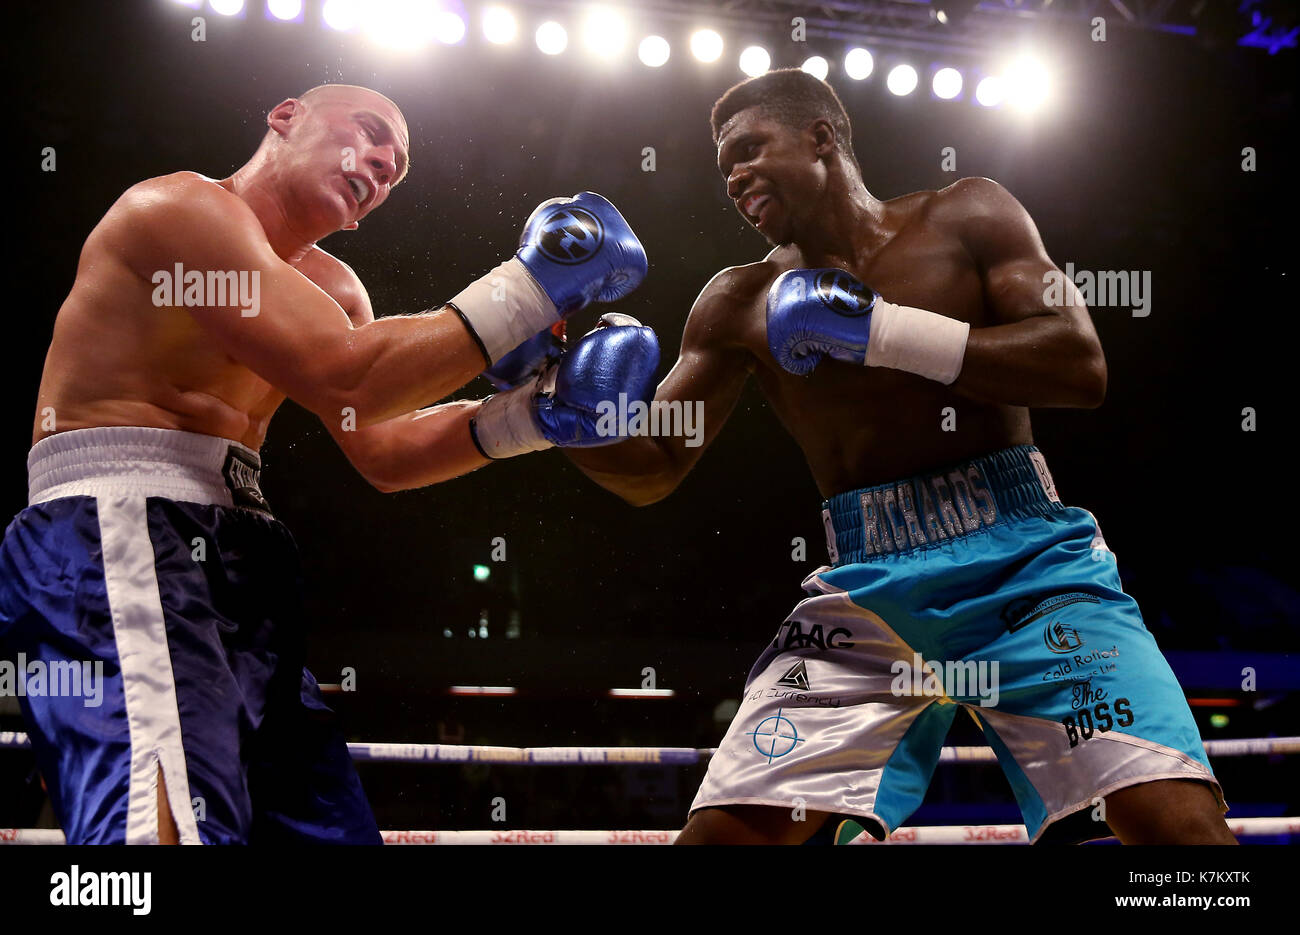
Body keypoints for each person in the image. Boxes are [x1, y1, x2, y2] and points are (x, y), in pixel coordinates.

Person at [566, 69, 1233, 844]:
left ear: (822, 137)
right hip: (865, 590)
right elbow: (653, 464)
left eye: (750, 149)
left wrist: (884, 332)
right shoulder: (737, 301)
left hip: (1030, 564)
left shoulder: (966, 214)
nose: (736, 175)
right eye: (724, 168)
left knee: (1181, 834)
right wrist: (571, 419)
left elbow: (1078, 365)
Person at [0, 84, 659, 844]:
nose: (382, 165)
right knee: (158, 832)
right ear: (285, 115)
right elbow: (350, 374)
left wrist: (532, 417)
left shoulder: (335, 289)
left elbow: (380, 449)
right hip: (120, 530)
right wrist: (529, 284)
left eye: (397, 171)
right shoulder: (178, 209)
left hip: (244, 557)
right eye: (370, 134)